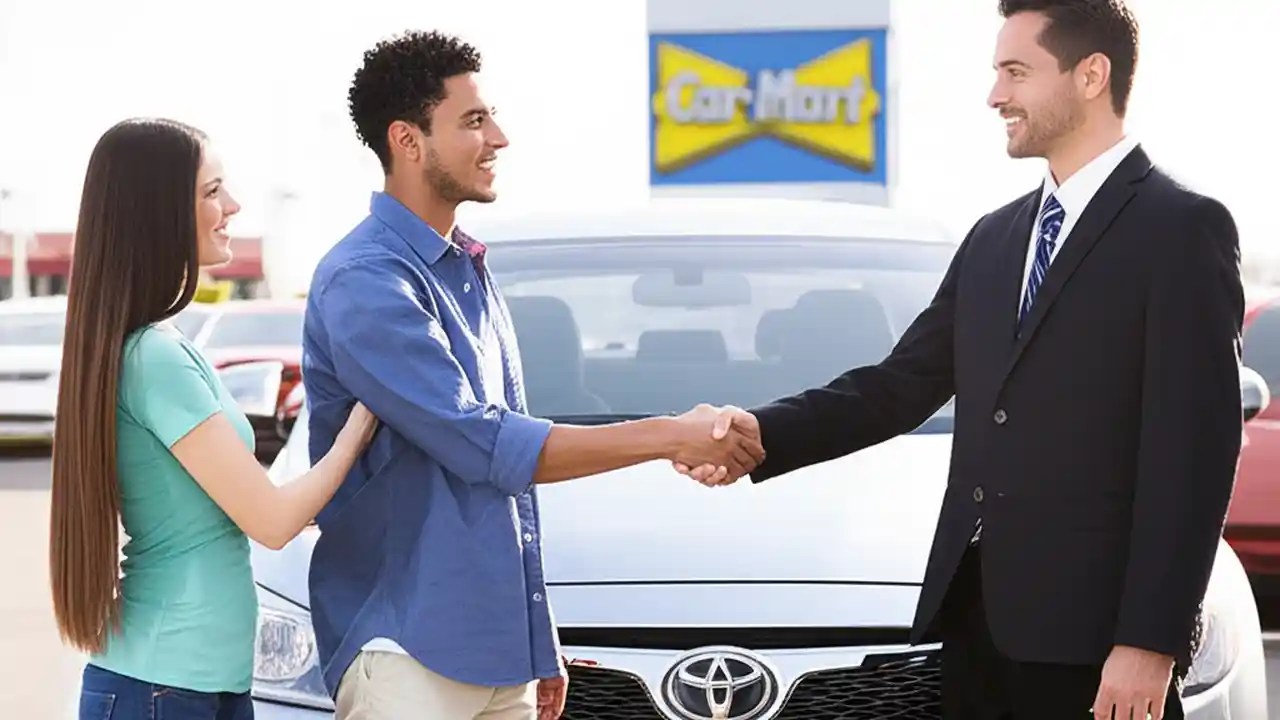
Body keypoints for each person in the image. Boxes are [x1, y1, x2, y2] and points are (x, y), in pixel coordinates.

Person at [678, 2, 1243, 719]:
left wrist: (1150, 642)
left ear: (1091, 75)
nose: (995, 95)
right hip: (975, 627)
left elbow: (1193, 456)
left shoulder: (1181, 229)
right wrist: (757, 435)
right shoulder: (995, 238)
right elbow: (898, 385)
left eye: (1016, 71)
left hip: (1098, 648)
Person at [300, 30, 762, 720]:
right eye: (475, 121)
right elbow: (486, 446)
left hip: (497, 657)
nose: (500, 138)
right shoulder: (367, 281)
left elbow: (504, 496)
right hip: (407, 658)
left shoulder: (467, 269)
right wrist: (671, 434)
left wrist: (535, 639)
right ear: (408, 140)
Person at [49, 118, 379, 720]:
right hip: (163, 686)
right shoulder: (154, 357)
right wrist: (361, 426)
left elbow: (236, 511)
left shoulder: (161, 343)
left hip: (192, 681)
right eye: (211, 191)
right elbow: (271, 520)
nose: (233, 205)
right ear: (159, 211)